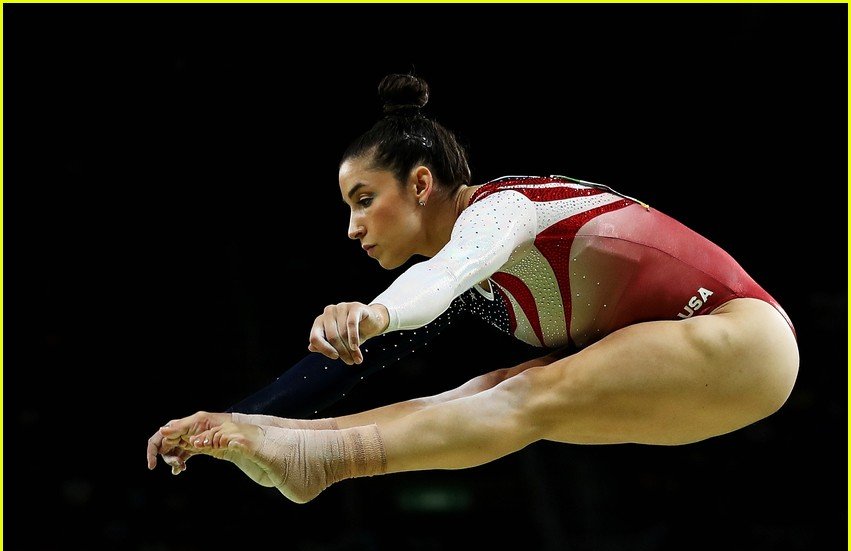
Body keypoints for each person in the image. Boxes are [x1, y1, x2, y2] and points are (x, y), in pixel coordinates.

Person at [146, 72, 799, 504]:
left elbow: (441, 277)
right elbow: (340, 368)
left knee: (525, 393)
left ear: (421, 185)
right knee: (484, 393)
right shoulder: (475, 276)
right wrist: (236, 418)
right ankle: (317, 460)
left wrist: (374, 312)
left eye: (365, 200)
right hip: (701, 378)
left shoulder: (501, 210)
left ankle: (313, 458)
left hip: (745, 338)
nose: (353, 228)